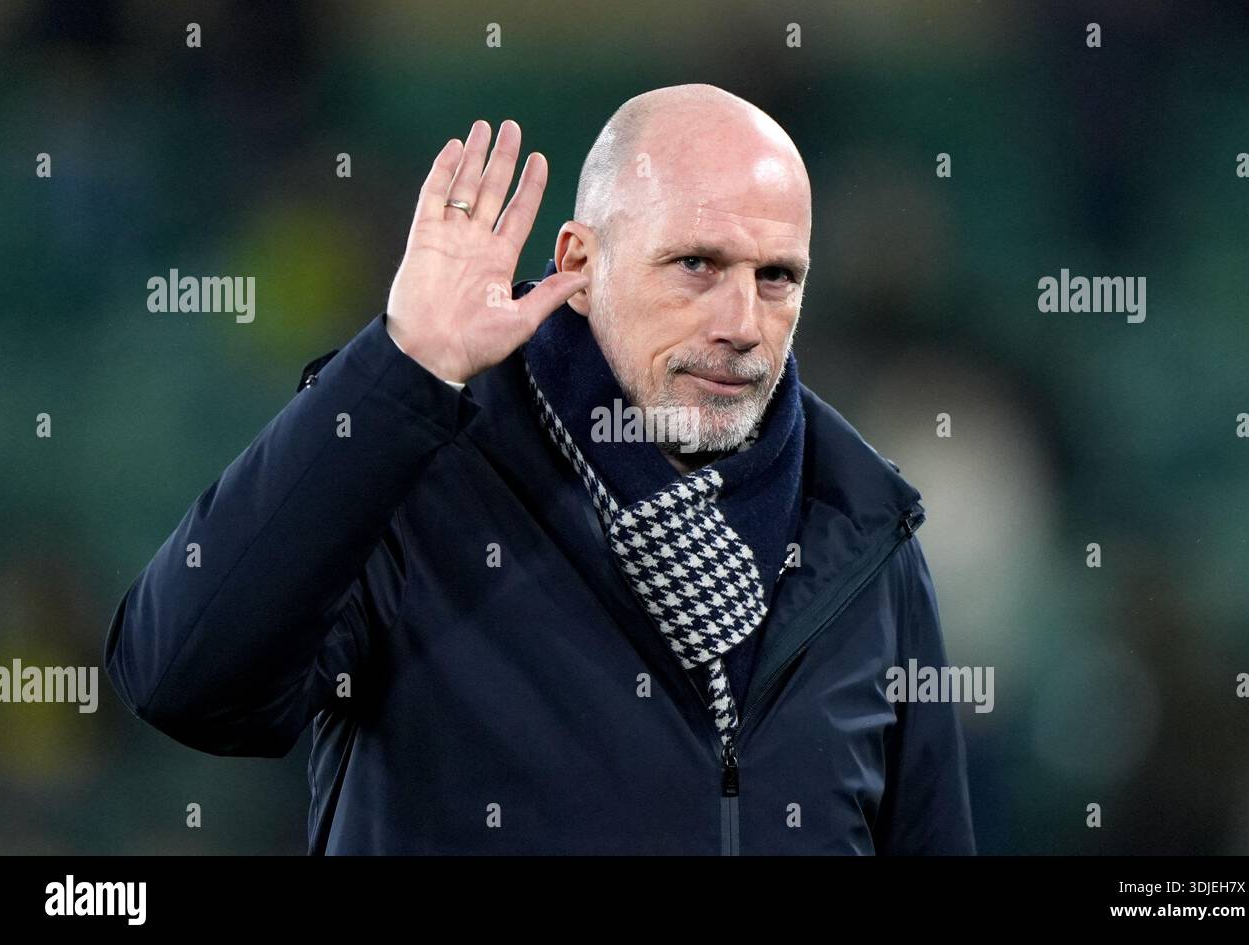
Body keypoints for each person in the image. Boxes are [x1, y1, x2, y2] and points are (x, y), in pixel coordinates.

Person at [105, 84, 975, 855]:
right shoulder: (417, 475)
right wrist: (399, 371)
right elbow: (183, 680)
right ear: (579, 267)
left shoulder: (868, 538)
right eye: (696, 265)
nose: (742, 320)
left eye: (777, 276)